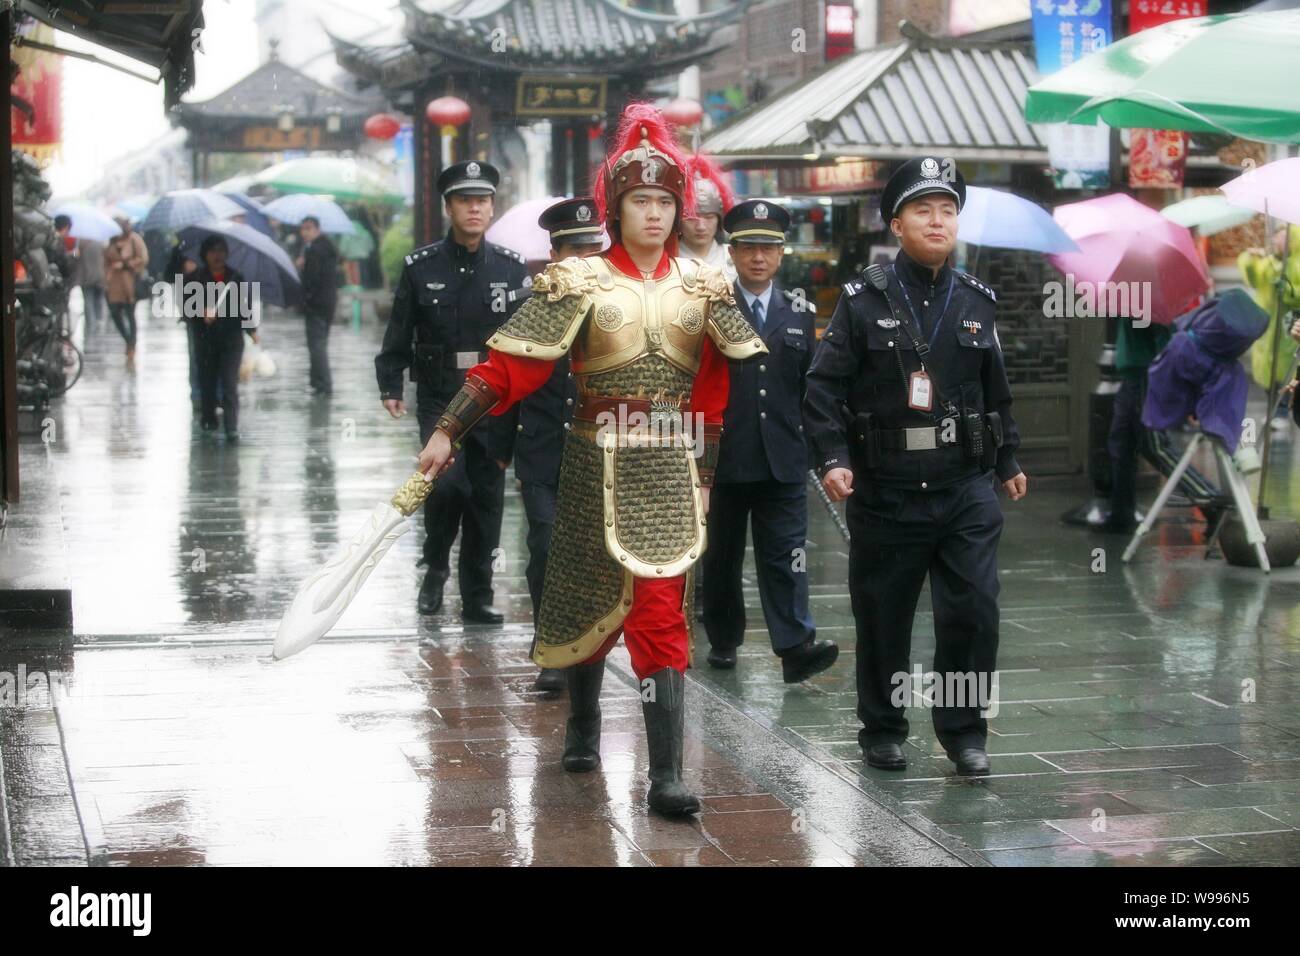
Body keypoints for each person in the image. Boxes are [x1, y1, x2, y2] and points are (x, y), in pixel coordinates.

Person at [416, 104, 766, 816]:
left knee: (663, 611)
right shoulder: (575, 282)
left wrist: (702, 476)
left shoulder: (705, 286)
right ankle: (581, 723)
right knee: (581, 601)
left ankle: (665, 771)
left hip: (667, 470)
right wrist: (448, 429)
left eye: (666, 202)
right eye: (641, 200)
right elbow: (506, 369)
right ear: (616, 207)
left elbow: (713, 393)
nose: (655, 214)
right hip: (588, 461)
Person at [804, 156, 1026, 777]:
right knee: (883, 613)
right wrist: (833, 458)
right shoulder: (862, 301)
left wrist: (1007, 457)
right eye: (923, 210)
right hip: (888, 489)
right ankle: (882, 727)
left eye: (948, 210)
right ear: (896, 225)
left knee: (974, 611)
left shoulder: (977, 301)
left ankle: (964, 731)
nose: (938, 221)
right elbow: (823, 388)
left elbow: (995, 392)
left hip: (964, 489)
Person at [376, 161, 528, 623]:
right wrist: (391, 383)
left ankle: (478, 593)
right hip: (441, 396)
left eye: (482, 200)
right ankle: (435, 568)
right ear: (449, 207)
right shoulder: (421, 268)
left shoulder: (510, 268)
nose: (475, 208)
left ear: (492, 207)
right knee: (444, 488)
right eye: (465, 200)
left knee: (485, 495)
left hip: (494, 401)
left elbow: (525, 340)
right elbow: (399, 330)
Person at [701, 199, 837, 682]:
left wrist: (825, 454)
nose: (758, 257)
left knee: (786, 554)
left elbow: (811, 387)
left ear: (781, 255)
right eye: (748, 248)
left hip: (783, 455)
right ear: (732, 254)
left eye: (768, 249)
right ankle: (722, 635)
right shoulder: (711, 309)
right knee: (721, 555)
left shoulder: (798, 312)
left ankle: (795, 644)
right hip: (724, 456)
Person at [512, 197, 604, 696]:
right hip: (543, 451)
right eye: (574, 251)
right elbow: (507, 384)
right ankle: (550, 648)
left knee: (594, 554)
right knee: (545, 545)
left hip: (601, 452)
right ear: (555, 254)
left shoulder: (620, 307)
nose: (584, 261)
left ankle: (588, 645)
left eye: (593, 251)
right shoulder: (530, 308)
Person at [191, 235, 257, 441]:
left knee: (229, 382)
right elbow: (185, 308)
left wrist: (252, 330)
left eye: (221, 250)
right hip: (205, 339)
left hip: (231, 338)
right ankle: (209, 420)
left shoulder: (236, 277)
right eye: (213, 251)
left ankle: (231, 426)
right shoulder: (195, 279)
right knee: (207, 382)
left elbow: (244, 307)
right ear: (205, 254)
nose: (217, 255)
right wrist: (201, 311)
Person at [296, 217, 339, 396]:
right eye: (303, 229)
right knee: (319, 344)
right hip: (328, 302)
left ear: (317, 229)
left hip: (316, 304)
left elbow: (312, 279)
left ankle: (323, 385)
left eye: (309, 228)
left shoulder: (315, 250)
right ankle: (318, 382)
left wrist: (305, 299)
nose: (305, 232)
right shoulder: (327, 247)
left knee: (317, 346)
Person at [681, 154, 737, 284]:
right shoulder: (666, 259)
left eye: (709, 217)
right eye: (691, 218)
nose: (701, 226)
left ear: (719, 219)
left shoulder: (734, 258)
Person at [103, 215, 148, 367]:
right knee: (115, 313)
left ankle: (132, 344)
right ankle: (127, 339)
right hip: (113, 284)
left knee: (130, 314)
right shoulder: (110, 242)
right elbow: (105, 261)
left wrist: (125, 265)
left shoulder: (134, 239)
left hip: (130, 283)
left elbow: (143, 258)